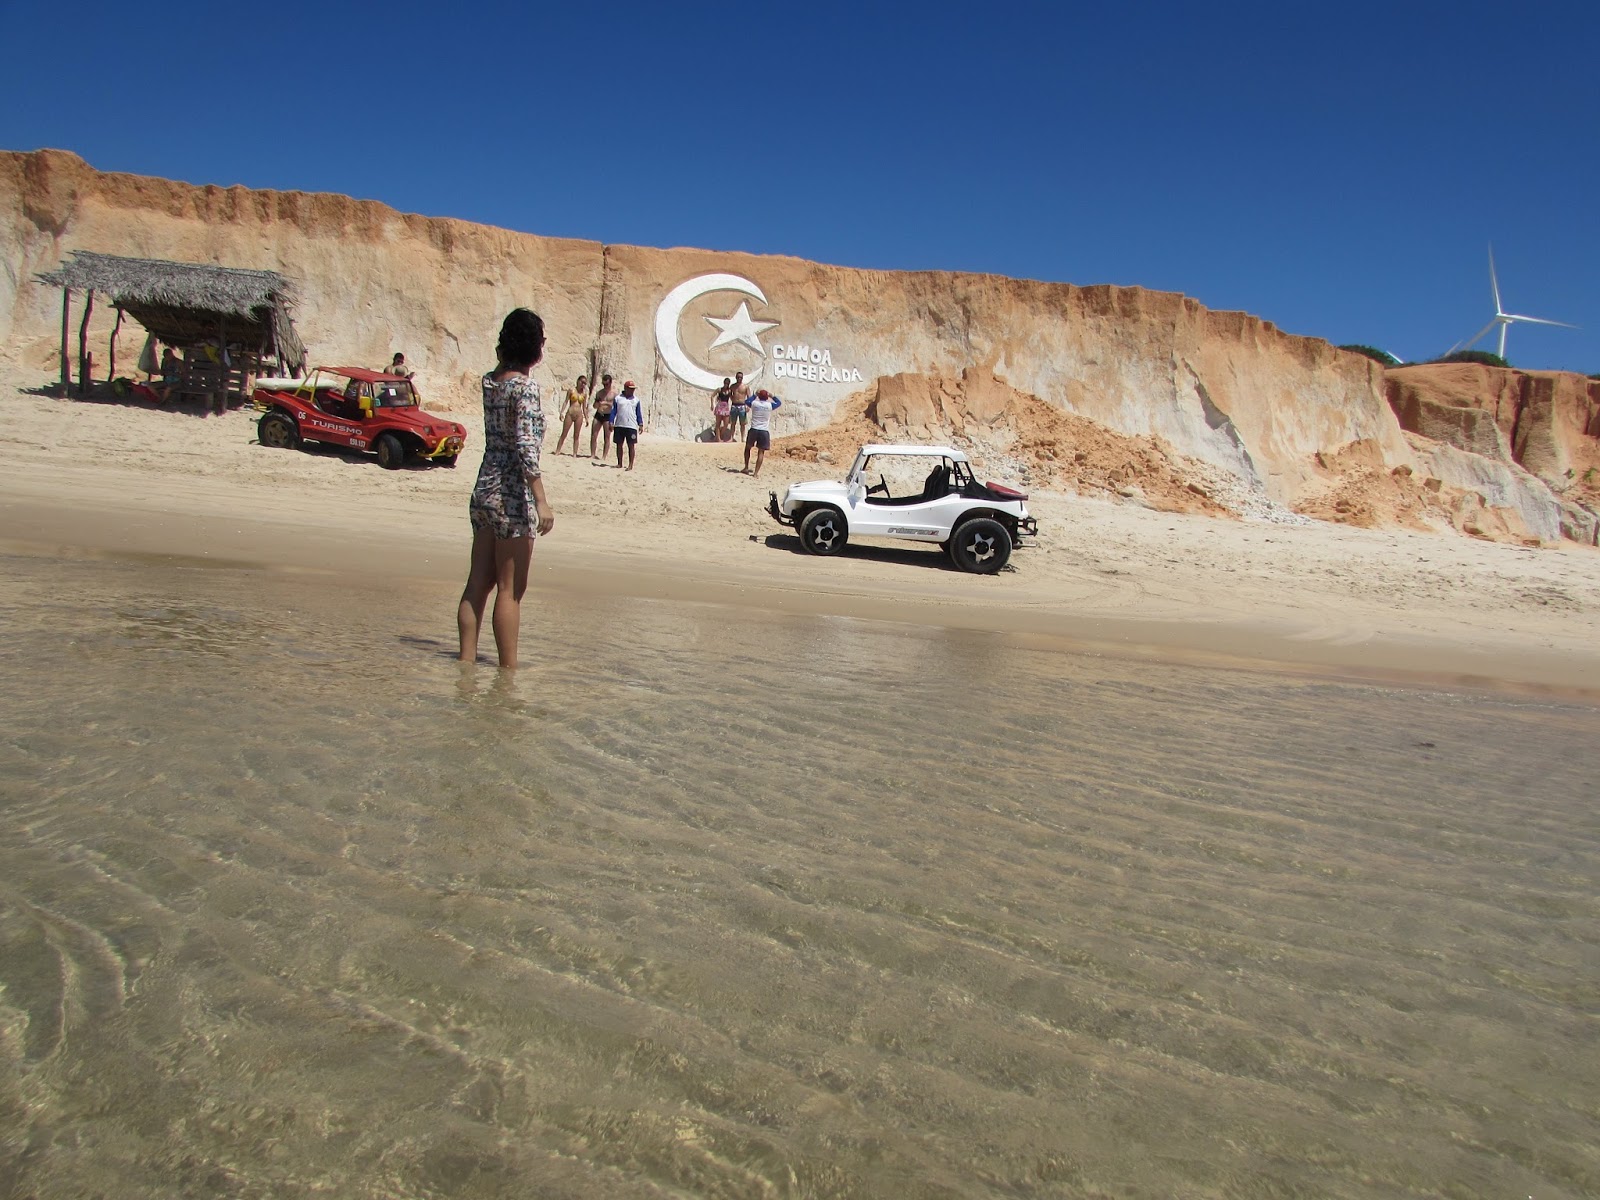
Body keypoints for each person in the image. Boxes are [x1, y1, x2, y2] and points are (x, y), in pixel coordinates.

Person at [457, 309, 555, 669]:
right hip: (512, 491)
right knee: (511, 591)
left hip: (485, 484)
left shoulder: (491, 382)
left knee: (477, 583)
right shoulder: (525, 388)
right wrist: (541, 500)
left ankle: (465, 664)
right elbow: (526, 447)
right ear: (534, 347)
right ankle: (507, 675)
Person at [743, 388, 782, 478]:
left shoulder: (754, 403)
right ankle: (756, 473)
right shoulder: (769, 405)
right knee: (761, 452)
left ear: (759, 397)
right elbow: (779, 403)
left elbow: (747, 401)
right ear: (767, 397)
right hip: (764, 430)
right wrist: (772, 396)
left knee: (748, 448)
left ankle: (746, 467)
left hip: (754, 428)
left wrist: (754, 395)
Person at [610, 379, 645, 471]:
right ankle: (620, 463)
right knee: (619, 444)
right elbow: (613, 411)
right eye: (630, 388)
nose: (632, 390)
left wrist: (640, 423)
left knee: (631, 445)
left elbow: (638, 413)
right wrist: (611, 422)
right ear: (625, 388)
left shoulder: (636, 400)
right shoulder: (618, 398)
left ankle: (630, 464)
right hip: (619, 425)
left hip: (631, 426)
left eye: (633, 389)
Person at [555, 373, 589, 455]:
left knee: (576, 435)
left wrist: (587, 418)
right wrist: (561, 412)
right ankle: (557, 451)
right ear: (578, 381)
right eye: (582, 382)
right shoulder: (571, 390)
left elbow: (584, 407)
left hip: (579, 415)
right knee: (564, 433)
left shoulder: (584, 394)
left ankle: (574, 453)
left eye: (585, 383)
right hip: (570, 413)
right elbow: (566, 401)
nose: (583, 384)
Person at [589, 373, 616, 459]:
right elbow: (594, 406)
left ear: (610, 383)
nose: (605, 386)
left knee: (607, 437)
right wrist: (597, 404)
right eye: (604, 384)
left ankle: (604, 456)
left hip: (608, 415)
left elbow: (615, 406)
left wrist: (606, 403)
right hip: (599, 414)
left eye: (607, 384)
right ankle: (592, 454)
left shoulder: (614, 394)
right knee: (594, 435)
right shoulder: (599, 393)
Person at [728, 370, 751, 440]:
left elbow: (749, 396)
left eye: (740, 377)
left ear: (742, 378)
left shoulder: (745, 386)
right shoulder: (732, 386)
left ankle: (743, 437)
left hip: (742, 406)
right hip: (734, 405)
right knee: (733, 423)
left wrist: (748, 406)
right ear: (736, 377)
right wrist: (732, 399)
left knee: (742, 424)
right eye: (738, 377)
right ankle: (731, 437)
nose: (739, 378)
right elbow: (729, 394)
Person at [712, 377, 733, 442]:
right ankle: (718, 438)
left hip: (726, 407)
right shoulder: (719, 389)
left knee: (726, 424)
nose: (726, 384)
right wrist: (712, 404)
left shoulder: (729, 391)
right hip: (719, 406)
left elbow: (732, 398)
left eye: (727, 383)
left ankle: (719, 434)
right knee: (718, 423)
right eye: (725, 383)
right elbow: (712, 395)